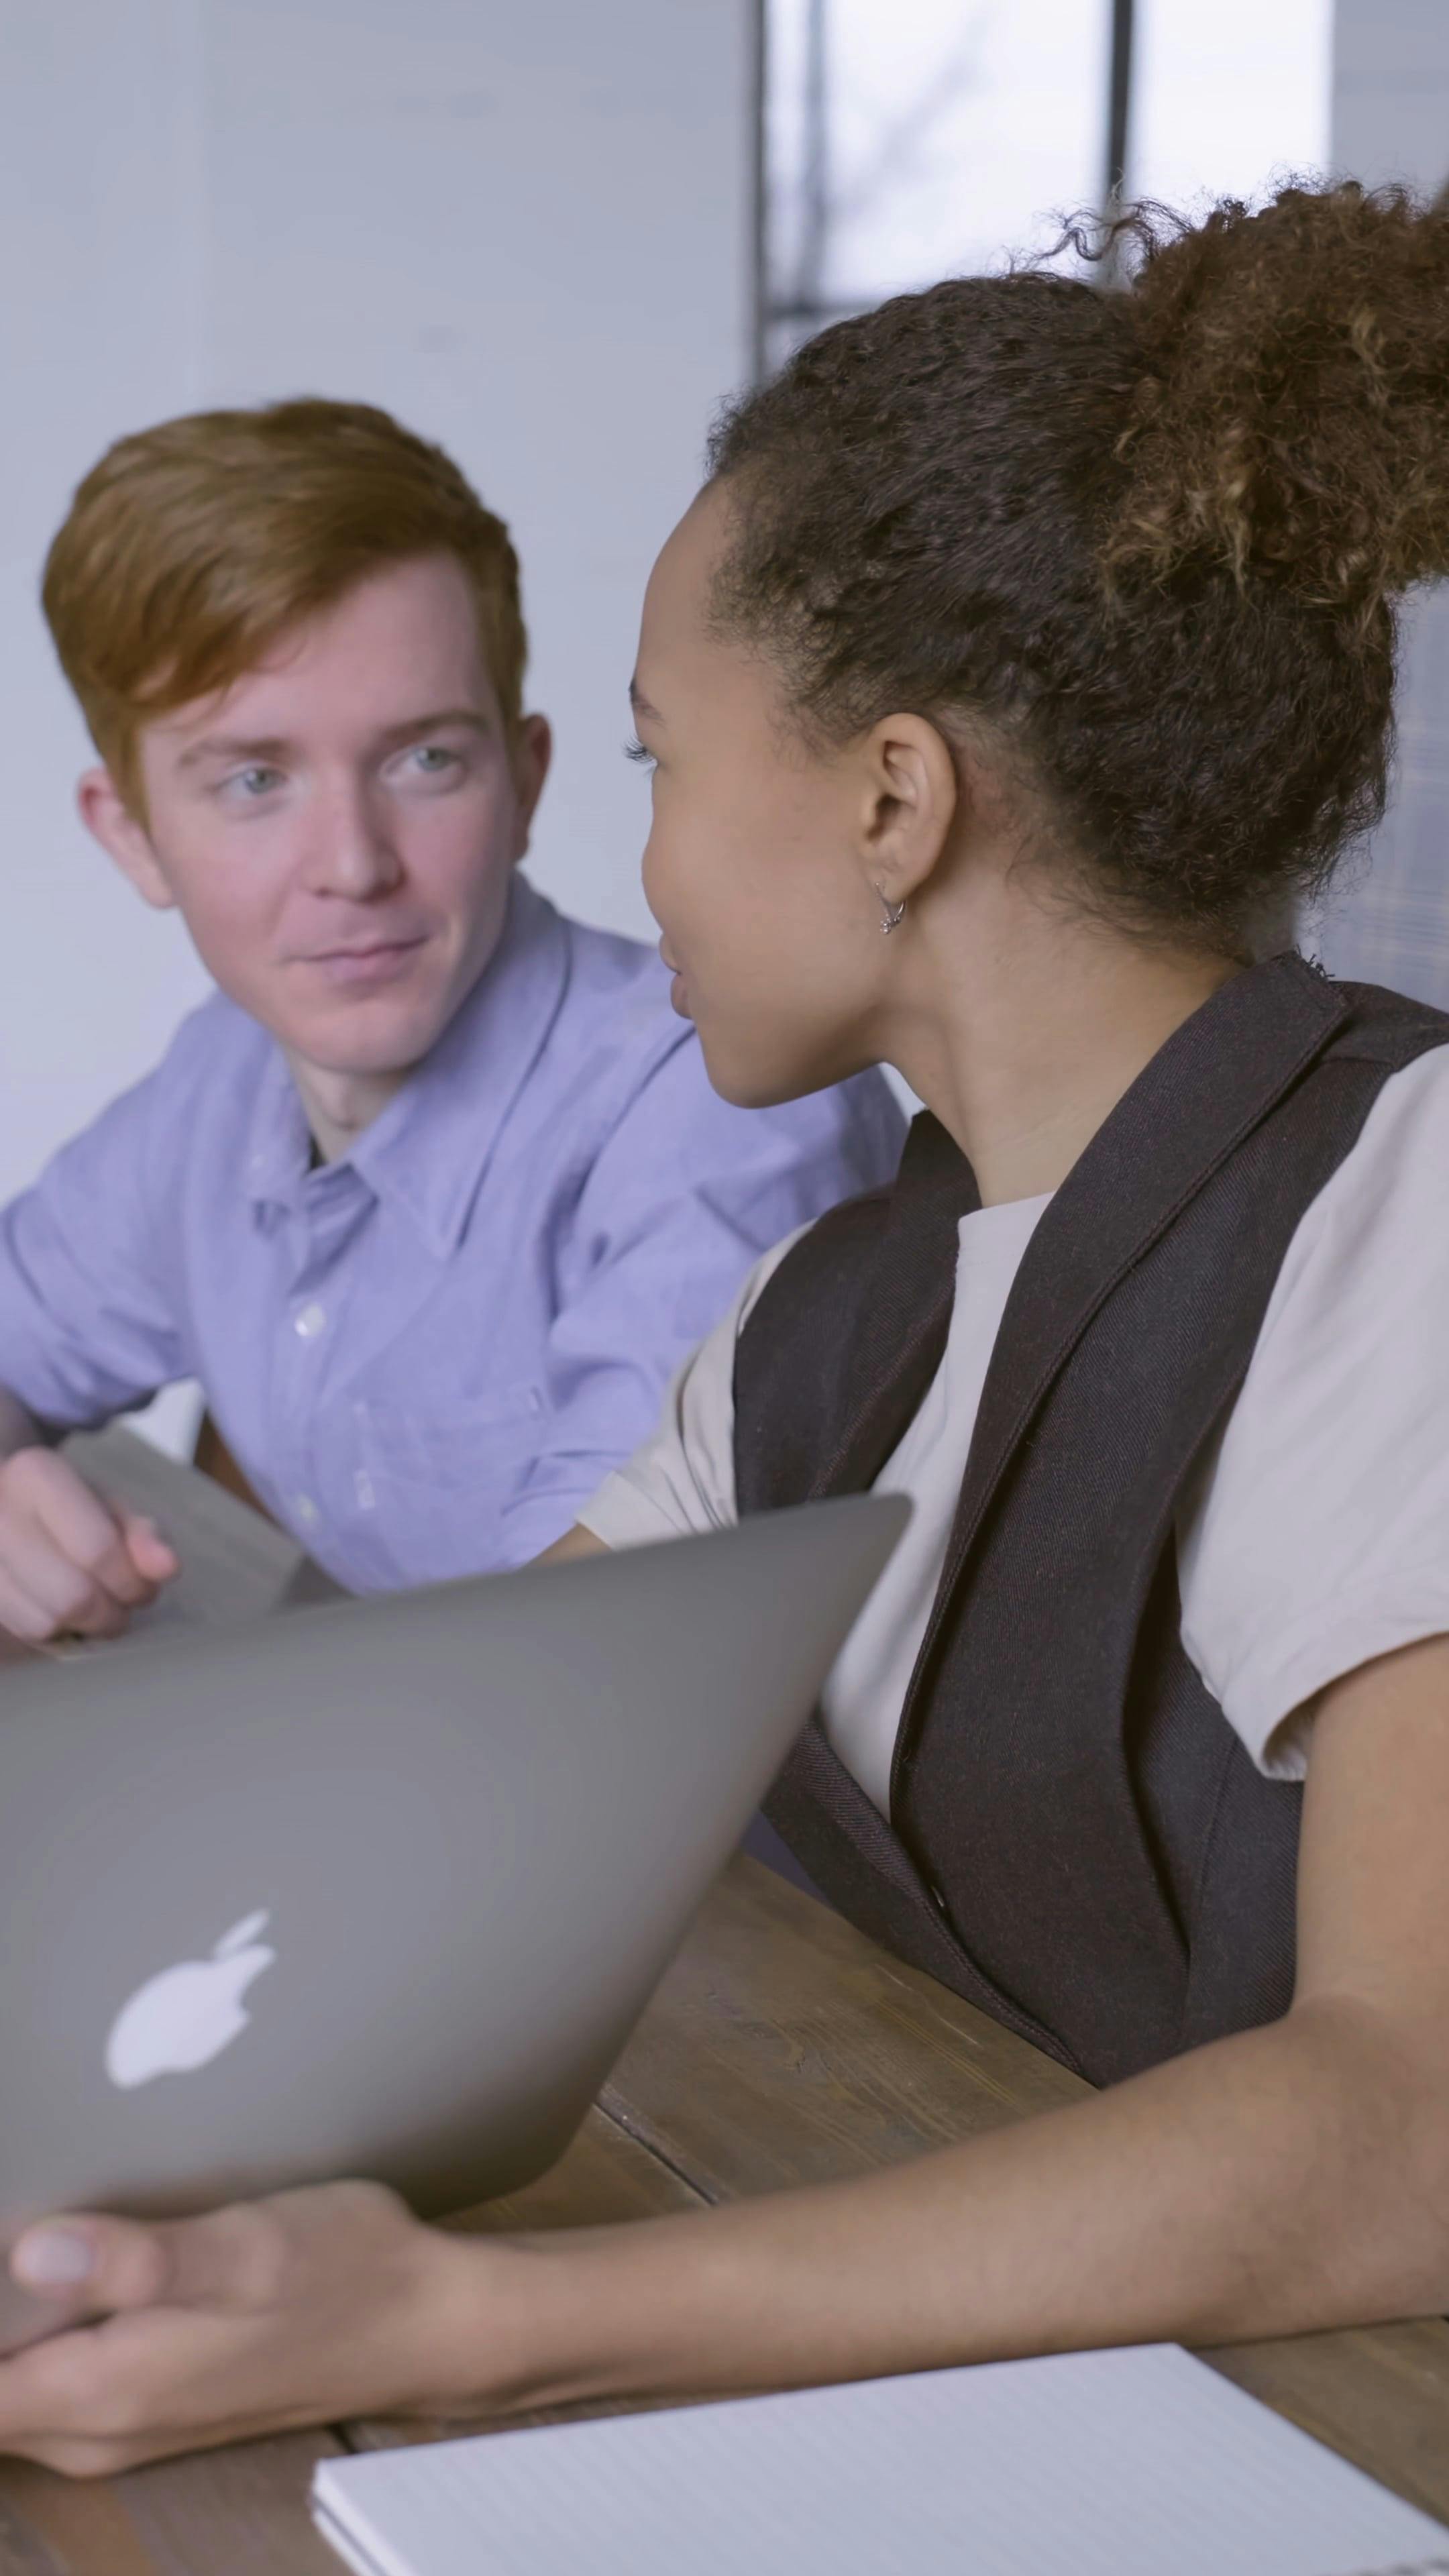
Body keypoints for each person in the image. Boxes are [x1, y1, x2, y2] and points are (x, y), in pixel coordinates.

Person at [5, 180, 1449, 2475]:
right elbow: (422, 1814)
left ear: (892, 797)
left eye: (663, 763)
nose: (641, 857)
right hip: (1058, 2396)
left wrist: (480, 2322)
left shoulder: (1411, 1196)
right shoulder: (823, 1317)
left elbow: (1408, 2129)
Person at [0, 400, 903, 1640]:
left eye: (425, 761)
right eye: (255, 780)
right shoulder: (218, 1088)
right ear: (133, 833)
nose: (354, 866)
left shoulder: (714, 1114)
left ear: (525, 781)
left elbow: (585, 1662)